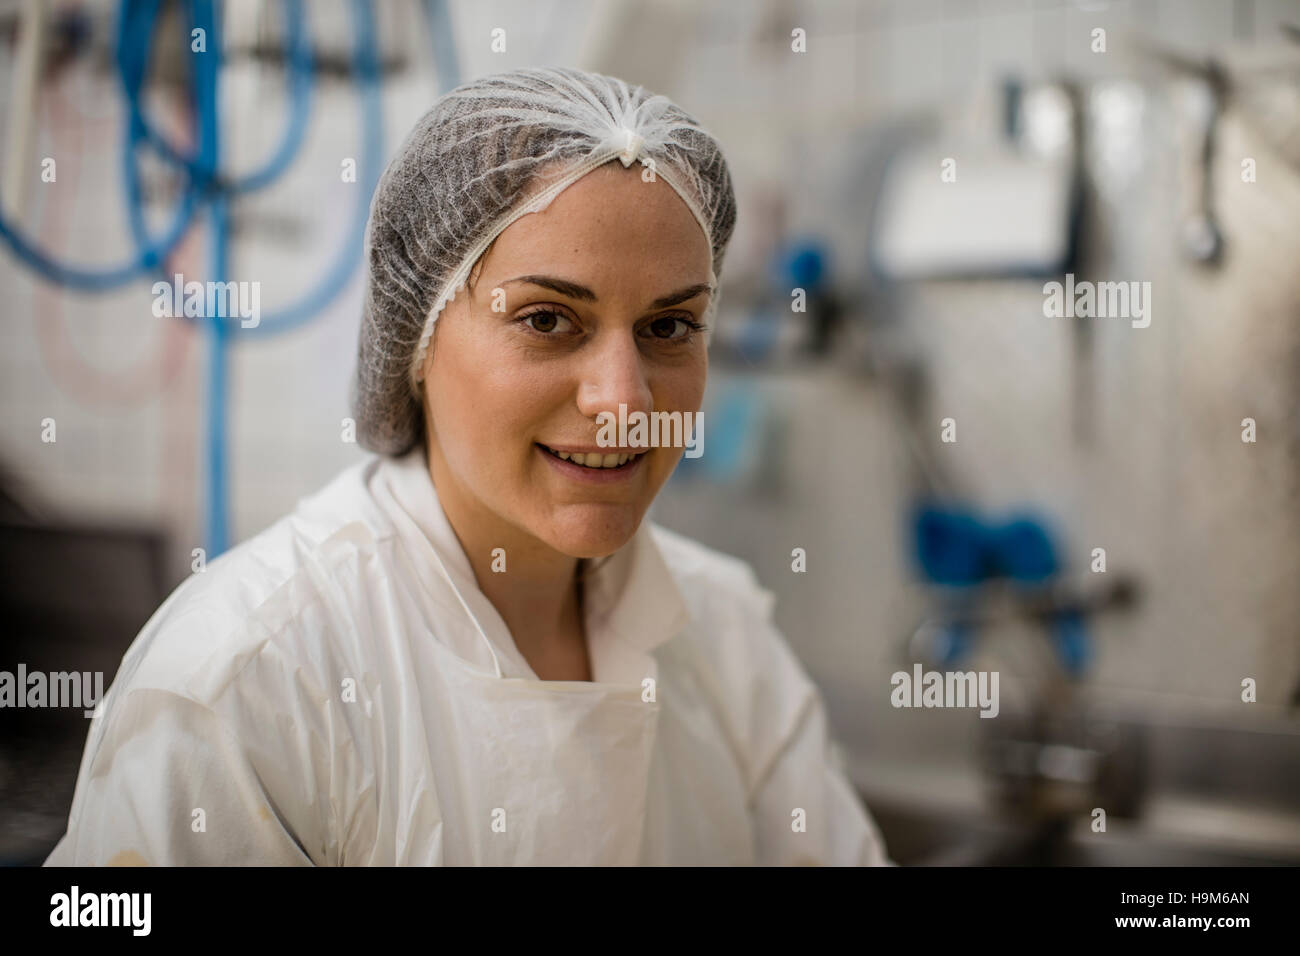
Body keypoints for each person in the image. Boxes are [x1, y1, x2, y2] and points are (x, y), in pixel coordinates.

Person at [45, 67, 890, 866]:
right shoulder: (252, 679)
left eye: (669, 327)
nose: (624, 401)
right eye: (549, 320)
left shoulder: (725, 639)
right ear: (416, 336)